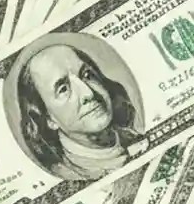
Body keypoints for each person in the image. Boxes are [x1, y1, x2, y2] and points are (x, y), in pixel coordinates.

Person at [13, 40, 141, 181]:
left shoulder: (136, 137)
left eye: (87, 75)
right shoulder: (67, 175)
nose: (88, 94)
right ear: (48, 119)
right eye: (63, 89)